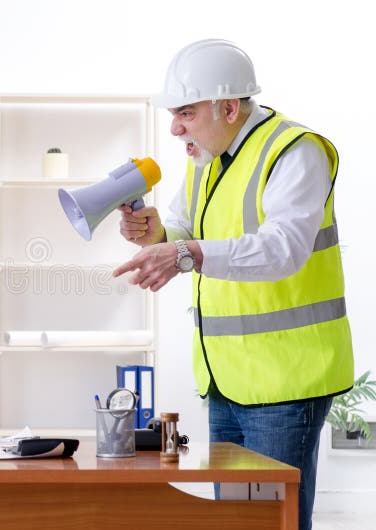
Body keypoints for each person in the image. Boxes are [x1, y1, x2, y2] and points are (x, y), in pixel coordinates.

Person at [112, 39, 353, 530]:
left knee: (271, 522)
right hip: (227, 379)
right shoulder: (205, 157)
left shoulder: (296, 151)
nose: (176, 127)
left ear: (227, 107)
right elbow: (184, 229)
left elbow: (283, 247)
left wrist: (187, 252)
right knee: (237, 522)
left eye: (185, 113)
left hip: (287, 382)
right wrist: (157, 233)